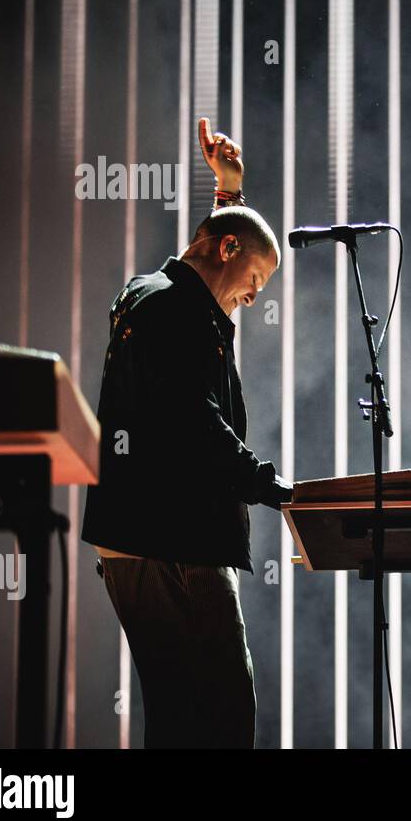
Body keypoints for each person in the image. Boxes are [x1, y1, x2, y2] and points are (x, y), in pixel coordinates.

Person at [82, 118, 291, 748]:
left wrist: (230, 200)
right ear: (228, 253)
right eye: (256, 283)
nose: (253, 300)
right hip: (173, 542)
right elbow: (193, 420)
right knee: (223, 717)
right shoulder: (177, 312)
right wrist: (270, 485)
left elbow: (204, 267)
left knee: (178, 717)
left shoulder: (151, 295)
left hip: (137, 541)